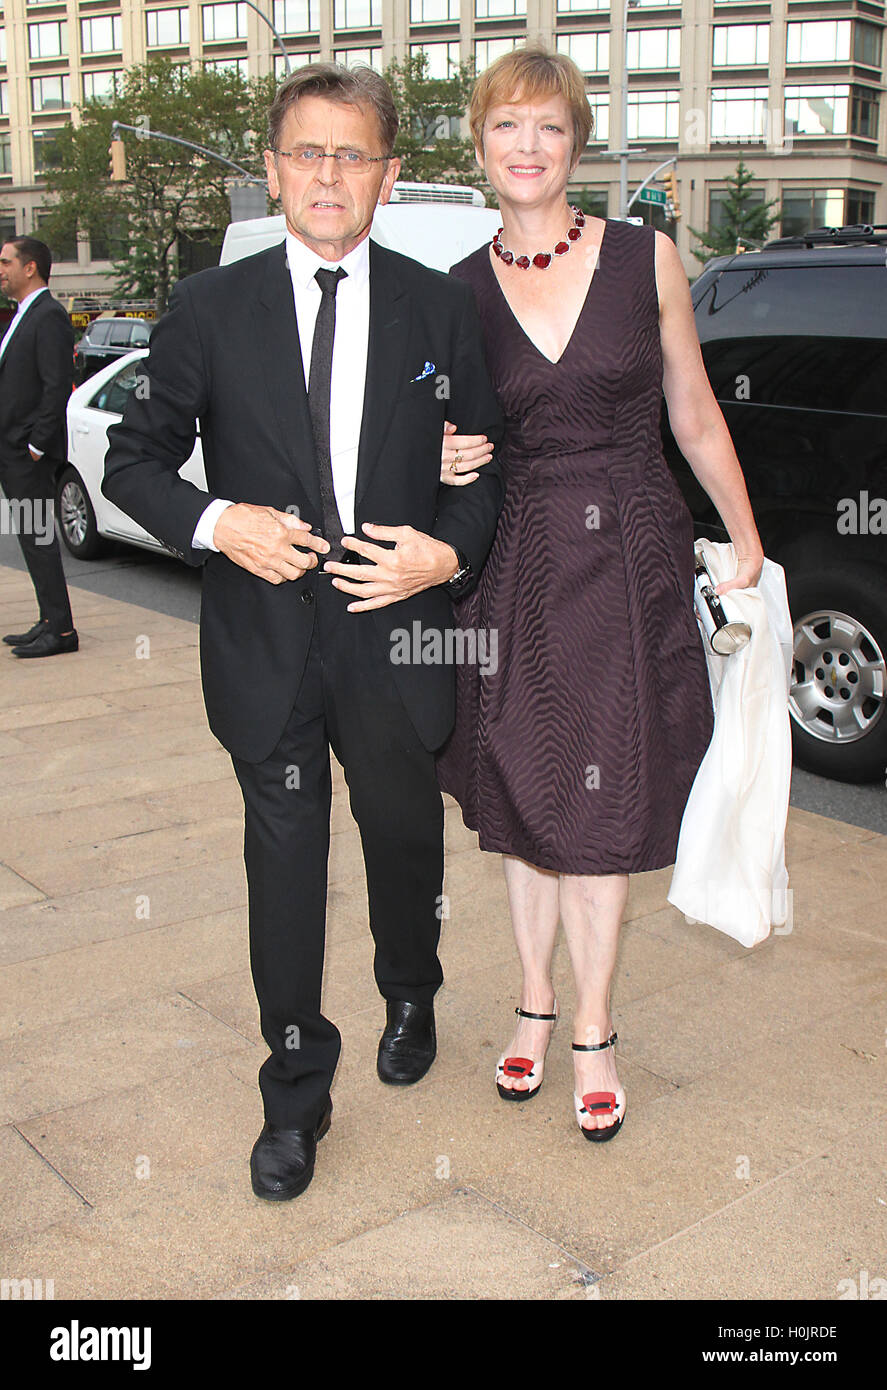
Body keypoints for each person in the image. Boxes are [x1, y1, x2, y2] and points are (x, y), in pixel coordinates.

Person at [102, 64, 503, 1201]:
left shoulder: (437, 305)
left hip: (395, 639)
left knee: (399, 841)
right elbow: (136, 459)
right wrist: (219, 521)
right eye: (307, 152)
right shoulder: (205, 307)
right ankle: (294, 1090)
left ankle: (411, 983)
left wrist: (448, 549)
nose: (330, 173)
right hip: (264, 646)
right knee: (281, 868)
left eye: (353, 153)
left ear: (384, 171)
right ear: (272, 170)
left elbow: (485, 462)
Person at [436, 46, 765, 1140]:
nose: (526, 148)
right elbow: (445, 440)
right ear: (478, 146)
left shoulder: (643, 258)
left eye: (547, 128)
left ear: (574, 144)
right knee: (529, 800)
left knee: (602, 799)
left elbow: (694, 411)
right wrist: (437, 462)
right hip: (519, 564)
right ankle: (530, 999)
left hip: (625, 548)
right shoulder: (455, 293)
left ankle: (591, 1024)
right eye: (505, 128)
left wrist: (745, 540)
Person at [0, 237, 78, 658]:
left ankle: (61, 631)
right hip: (13, 451)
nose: (0, 269)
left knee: (39, 537)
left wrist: (35, 445)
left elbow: (55, 386)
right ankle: (50, 619)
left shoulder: (47, 315)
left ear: (30, 268)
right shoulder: (22, 315)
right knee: (31, 539)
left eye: (5, 261)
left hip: (27, 454)